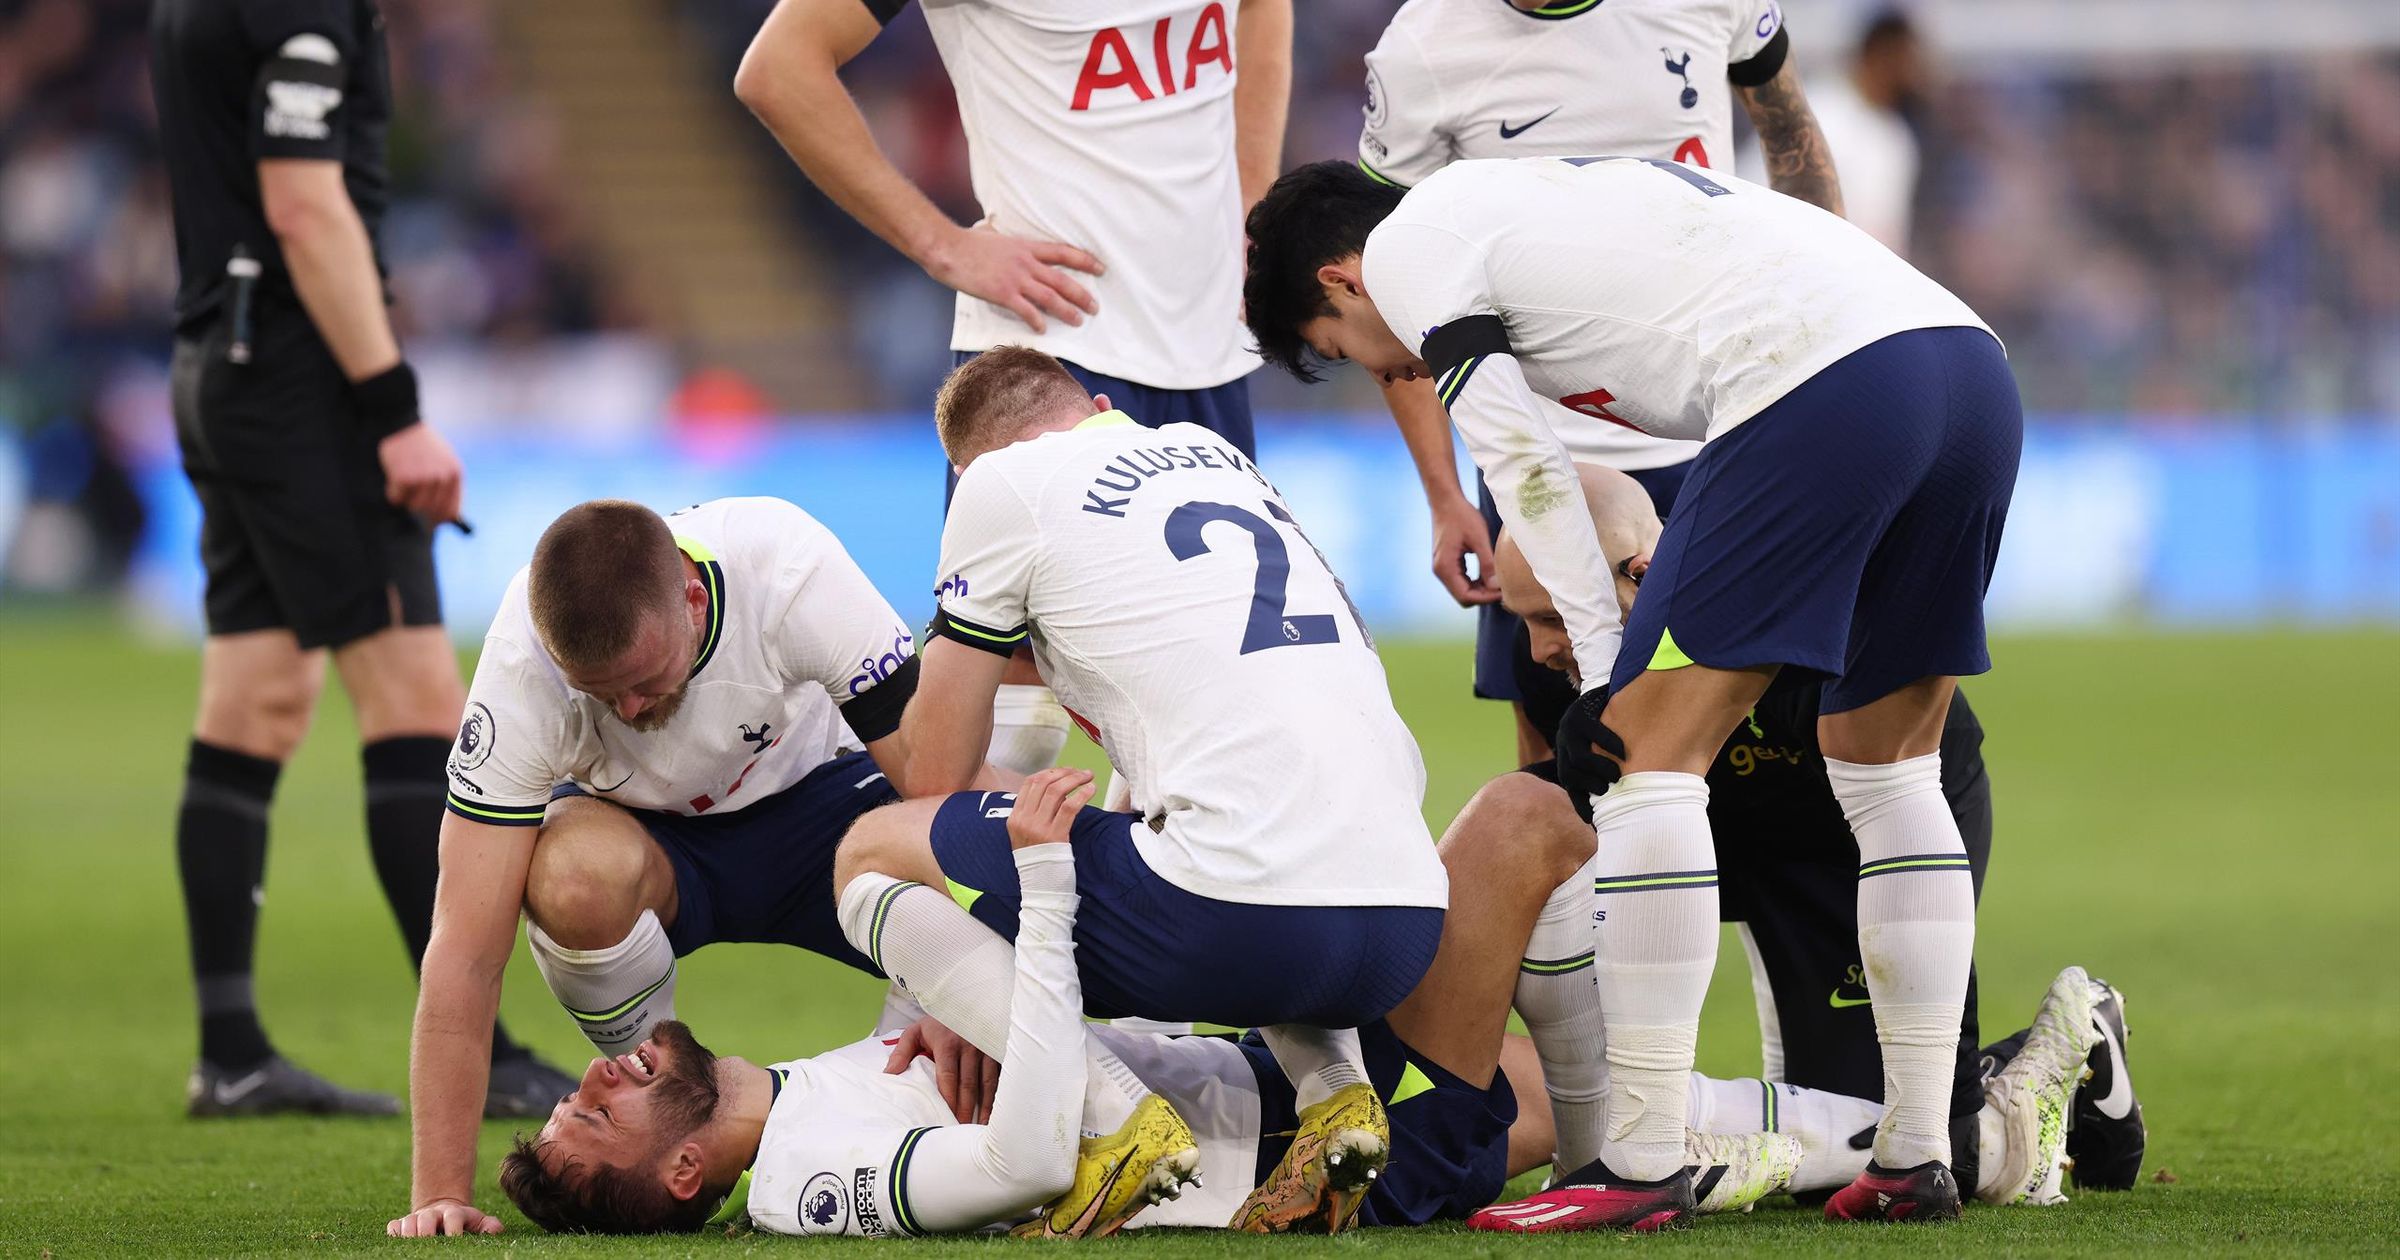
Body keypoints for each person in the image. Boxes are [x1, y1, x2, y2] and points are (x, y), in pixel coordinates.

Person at [1243, 156, 2020, 1224]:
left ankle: (1642, 1159)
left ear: (1340, 281)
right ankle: (1918, 1155)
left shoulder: (1411, 248)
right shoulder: (1521, 206)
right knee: (1888, 772)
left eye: (1349, 356)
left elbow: (1523, 465)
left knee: (1646, 762)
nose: (1386, 372)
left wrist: (1607, 675)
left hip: (1822, 376)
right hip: (1968, 369)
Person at [493, 756, 2099, 1237]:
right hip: (1319, 1149)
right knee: (1523, 825)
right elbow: (1038, 1156)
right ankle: (1911, 1122)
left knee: (1597, 1112)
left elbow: (1014, 1090)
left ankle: (1970, 1129)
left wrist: (963, 1015)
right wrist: (1047, 907)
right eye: (601, 1121)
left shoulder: (834, 1087)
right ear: (679, 1177)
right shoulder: (804, 1189)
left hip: (1279, 1092)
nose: (601, 1077)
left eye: (583, 1089)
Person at [831, 346, 1450, 1233]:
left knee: (872, 850)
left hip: (1240, 923)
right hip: (1405, 926)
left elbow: (933, 772)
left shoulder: (1000, 484)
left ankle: (1114, 1120)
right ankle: (1338, 1099)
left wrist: (960, 975)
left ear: (967, 468)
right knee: (1221, 827)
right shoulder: (1218, 455)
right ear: (1098, 406)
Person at [1461, 463, 2141, 1228]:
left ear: (1642, 573)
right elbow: (1558, 829)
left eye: (1552, 618)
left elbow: (1898, 778)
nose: (1542, 647)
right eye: (1522, 619)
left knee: (1924, 1145)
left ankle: (2071, 1049)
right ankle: (1646, 1144)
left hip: (1853, 837)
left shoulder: (1778, 608)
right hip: (1714, 833)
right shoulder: (1560, 655)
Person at [149, 0, 570, 1118]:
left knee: (256, 700)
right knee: (417, 701)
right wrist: (390, 409)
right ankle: (481, 1053)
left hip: (216, 359)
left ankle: (232, 1054)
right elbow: (302, 199)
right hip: (301, 389)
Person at [387, 496, 990, 1237]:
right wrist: (439, 1192)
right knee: (570, 874)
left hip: (828, 813)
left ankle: (910, 1085)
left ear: (693, 599)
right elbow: (465, 950)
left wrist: (957, 996)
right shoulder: (524, 664)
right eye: (601, 693)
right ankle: (666, 1124)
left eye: (644, 678)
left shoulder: (787, 568)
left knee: (1005, 832)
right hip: (655, 847)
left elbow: (939, 796)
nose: (631, 708)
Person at [734, 0, 1292, 774]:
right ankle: (968, 896)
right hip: (1052, 347)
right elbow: (779, 68)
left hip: (1208, 347)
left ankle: (1152, 891)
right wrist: (941, 245)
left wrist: (1256, 195)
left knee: (1201, 691)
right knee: (1007, 696)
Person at [1352, 0, 1844, 769]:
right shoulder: (1425, 44)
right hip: (1535, 449)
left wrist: (1821, 330)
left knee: (1766, 749)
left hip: (1723, 424)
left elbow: (1789, 131)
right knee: (1558, 756)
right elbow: (1392, 287)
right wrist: (1445, 495)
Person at [1799, 8, 1929, 255]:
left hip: (1864, 280)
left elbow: (1889, 234)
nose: (1914, 74)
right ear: (1880, 54)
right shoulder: (1819, 112)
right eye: (1906, 58)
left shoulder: (1896, 139)